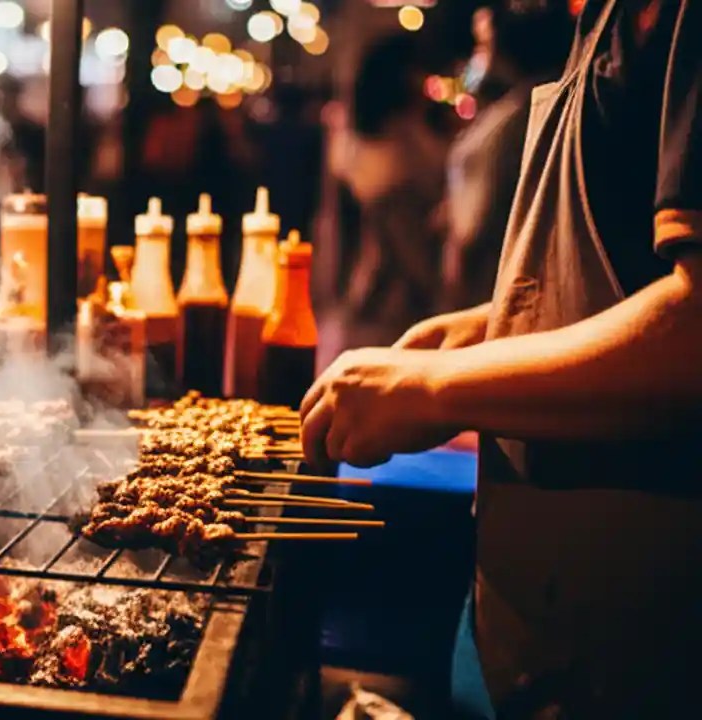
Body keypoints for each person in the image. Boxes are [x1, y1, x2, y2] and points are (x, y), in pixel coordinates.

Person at [300, 0, 701, 716]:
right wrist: (478, 335)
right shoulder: (604, 22)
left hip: (644, 634)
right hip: (536, 606)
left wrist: (436, 387)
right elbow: (615, 285)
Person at [313, 34, 449, 371]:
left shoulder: (350, 148)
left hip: (351, 314)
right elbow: (416, 261)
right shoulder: (404, 163)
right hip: (390, 320)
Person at [441, 1, 573, 312]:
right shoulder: (515, 109)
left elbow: (477, 222)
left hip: (494, 284)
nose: (478, 57)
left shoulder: (522, 116)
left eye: (484, 44)